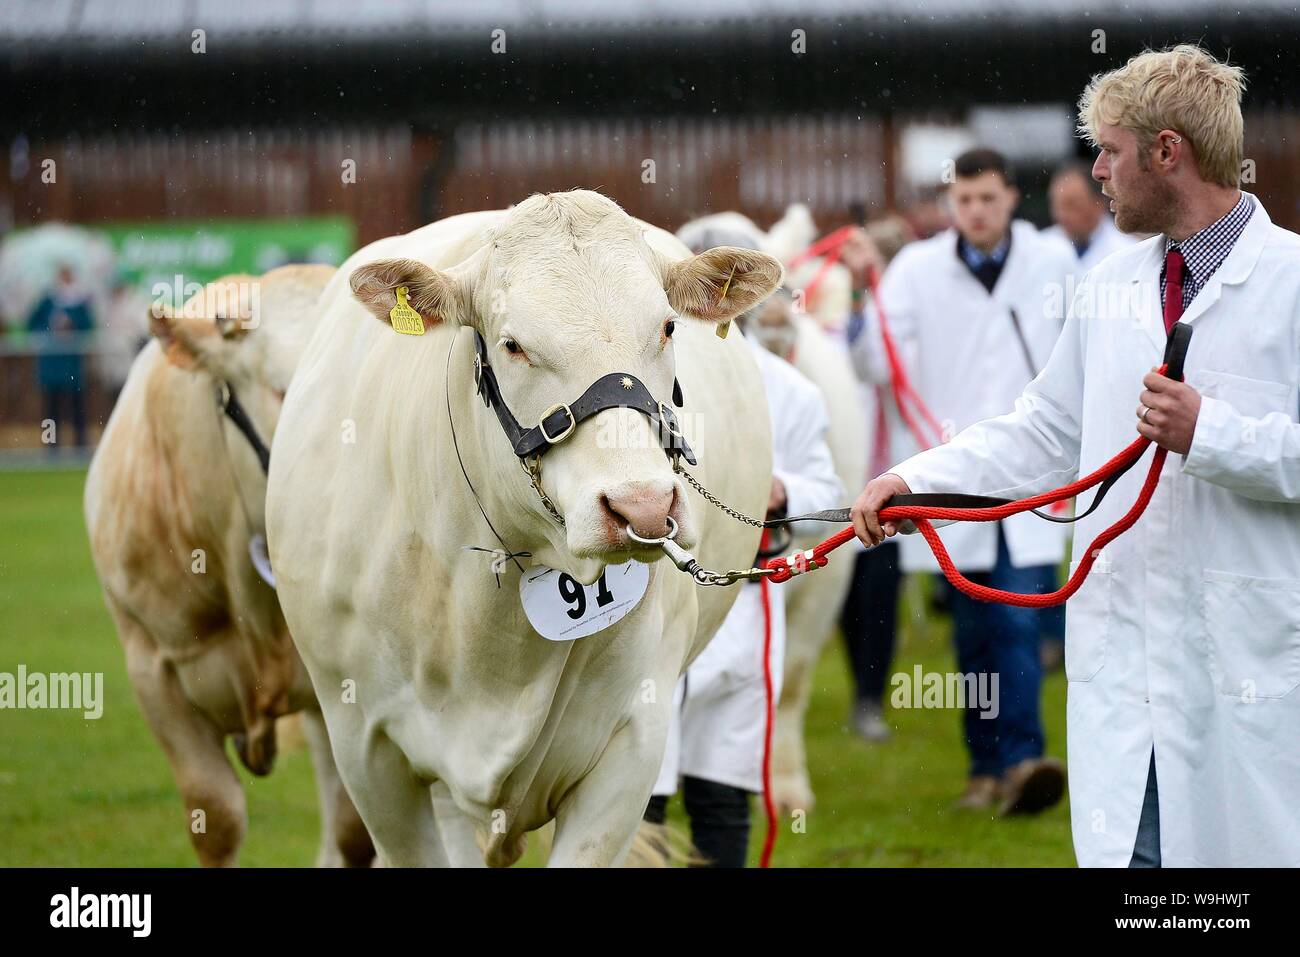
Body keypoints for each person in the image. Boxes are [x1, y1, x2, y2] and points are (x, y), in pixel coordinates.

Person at [851, 45, 1300, 867]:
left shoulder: (1293, 283)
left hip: (1248, 678)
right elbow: (1043, 430)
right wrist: (918, 478)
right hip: (1126, 686)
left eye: (1111, 151)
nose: (1096, 171)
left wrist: (1215, 434)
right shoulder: (1109, 288)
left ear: (1169, 152)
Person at [846, 148, 1076, 815]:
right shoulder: (916, 270)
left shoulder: (1054, 264)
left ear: (1011, 198)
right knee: (975, 628)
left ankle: (1023, 759)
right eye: (964, 199)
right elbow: (873, 363)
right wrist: (864, 286)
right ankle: (986, 768)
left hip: (1031, 474)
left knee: (1014, 616)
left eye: (989, 198)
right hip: (951, 475)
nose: (976, 211)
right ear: (951, 205)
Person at [646, 287, 842, 867]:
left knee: (724, 791)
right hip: (656, 606)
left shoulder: (790, 392)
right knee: (638, 789)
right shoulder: (643, 377)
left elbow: (827, 497)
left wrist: (780, 490)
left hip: (744, 604)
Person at [26, 265, 94, 450]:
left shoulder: (79, 303)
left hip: (71, 364)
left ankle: (80, 443)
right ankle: (51, 445)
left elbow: (88, 327)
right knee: (51, 408)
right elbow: (32, 324)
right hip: (51, 364)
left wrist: (72, 328)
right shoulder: (47, 301)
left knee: (76, 406)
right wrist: (50, 332)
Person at [1043, 161, 1137, 271]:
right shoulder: (1041, 246)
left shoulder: (1128, 252)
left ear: (1099, 204)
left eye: (1071, 205)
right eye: (1056, 205)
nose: (1060, 215)